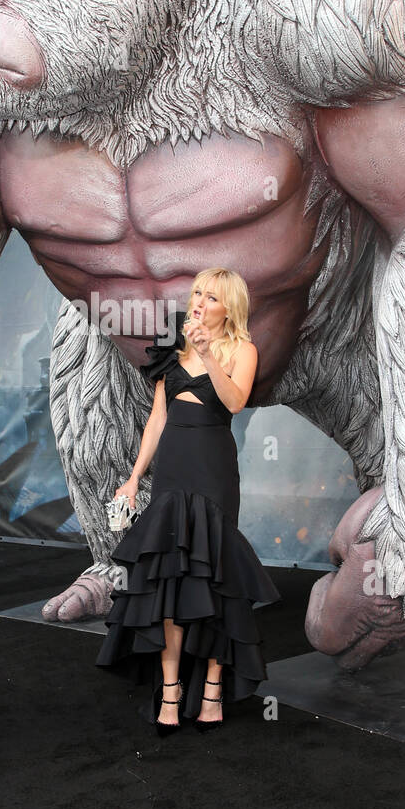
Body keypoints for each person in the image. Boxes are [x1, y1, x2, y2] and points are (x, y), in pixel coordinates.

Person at [96, 267, 275, 734]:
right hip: (173, 473)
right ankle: (171, 693)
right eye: (197, 292)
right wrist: (135, 477)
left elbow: (235, 401)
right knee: (172, 583)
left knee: (214, 582)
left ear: (228, 307)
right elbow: (157, 419)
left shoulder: (243, 350)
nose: (197, 301)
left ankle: (213, 693)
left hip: (213, 472)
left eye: (210, 297)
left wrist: (206, 354)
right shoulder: (171, 351)